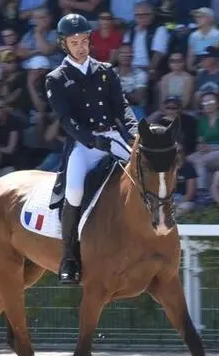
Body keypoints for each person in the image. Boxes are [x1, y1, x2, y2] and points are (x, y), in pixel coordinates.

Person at [44, 13, 138, 285]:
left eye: (84, 40)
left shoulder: (106, 71)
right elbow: (67, 120)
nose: (81, 46)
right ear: (65, 44)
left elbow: (122, 108)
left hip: (112, 136)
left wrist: (132, 134)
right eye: (74, 42)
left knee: (145, 174)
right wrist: (92, 140)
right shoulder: (57, 78)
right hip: (84, 145)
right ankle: (69, 257)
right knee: (74, 190)